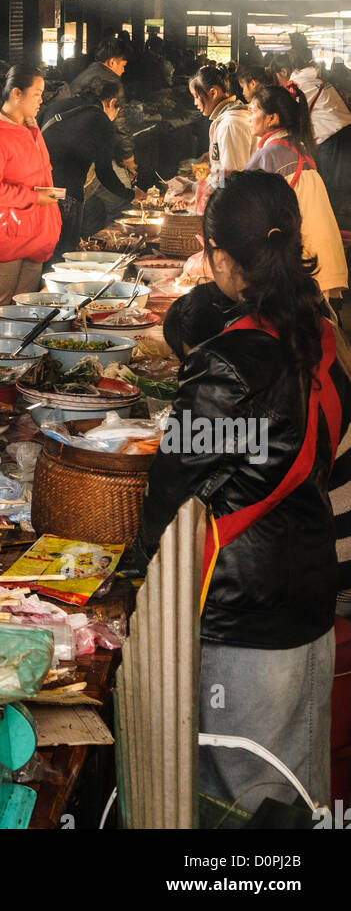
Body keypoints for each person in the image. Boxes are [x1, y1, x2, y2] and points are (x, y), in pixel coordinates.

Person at [136, 170, 351, 813]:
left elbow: (169, 498)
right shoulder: (319, 329)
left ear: (223, 259)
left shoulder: (227, 365)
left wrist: (131, 592)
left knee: (240, 804)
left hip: (243, 617)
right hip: (309, 592)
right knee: (296, 792)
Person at [0, 64, 61, 317]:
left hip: (34, 234)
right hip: (4, 236)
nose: (41, 100)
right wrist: (34, 197)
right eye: (37, 94)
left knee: (23, 309)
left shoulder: (30, 127)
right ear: (17, 94)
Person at [246, 84, 347, 295]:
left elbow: (246, 208)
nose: (249, 118)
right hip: (320, 257)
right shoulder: (299, 148)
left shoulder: (269, 154)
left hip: (303, 261)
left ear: (272, 118)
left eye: (253, 111)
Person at [41, 91, 135, 256]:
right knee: (65, 252)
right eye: (117, 112)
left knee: (45, 249)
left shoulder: (57, 105)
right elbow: (104, 172)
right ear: (111, 102)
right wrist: (130, 194)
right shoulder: (101, 120)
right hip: (69, 195)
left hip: (42, 191)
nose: (114, 118)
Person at [288, 39, 351, 230]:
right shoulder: (316, 79)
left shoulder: (298, 84)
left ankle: (334, 235)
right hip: (343, 133)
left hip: (333, 140)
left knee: (332, 191)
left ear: (283, 71)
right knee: (338, 190)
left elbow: (290, 118)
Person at [69, 36, 137, 182]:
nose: (123, 70)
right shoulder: (112, 82)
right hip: (92, 147)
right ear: (112, 62)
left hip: (73, 144)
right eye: (123, 65)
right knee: (120, 183)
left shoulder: (85, 74)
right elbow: (119, 123)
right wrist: (128, 155)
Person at [189, 64, 253, 195]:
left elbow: (232, 180)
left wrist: (195, 190)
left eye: (196, 96)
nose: (195, 103)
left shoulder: (230, 125)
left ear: (213, 93)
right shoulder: (229, 119)